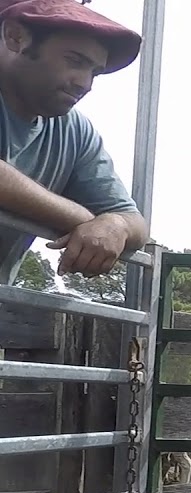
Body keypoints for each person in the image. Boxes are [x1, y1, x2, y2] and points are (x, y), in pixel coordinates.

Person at [0, 0, 148, 285]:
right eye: (75, 60)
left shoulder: (75, 130)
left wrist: (113, 225)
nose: (85, 83)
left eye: (94, 71)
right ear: (15, 38)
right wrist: (81, 218)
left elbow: (134, 222)